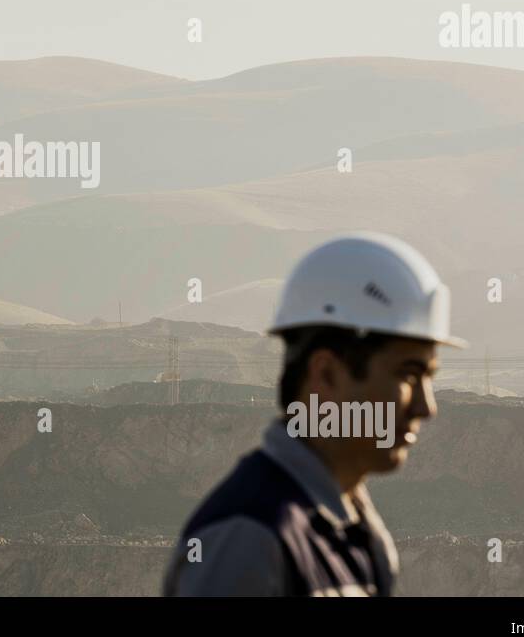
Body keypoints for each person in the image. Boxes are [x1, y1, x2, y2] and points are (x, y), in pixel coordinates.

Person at [163, 232, 466, 596]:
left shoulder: (358, 531)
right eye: (407, 374)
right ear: (326, 373)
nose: (426, 407)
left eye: (429, 378)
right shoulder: (249, 542)